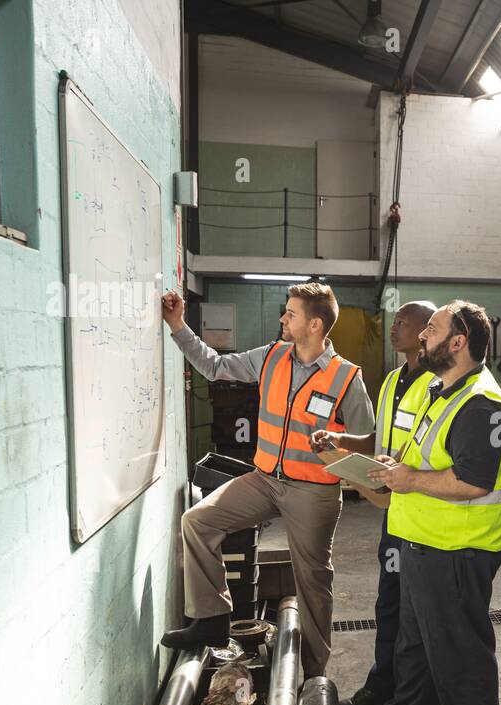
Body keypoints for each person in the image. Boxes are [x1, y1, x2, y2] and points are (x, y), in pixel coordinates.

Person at [159, 284, 375, 678]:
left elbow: (368, 439)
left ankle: (310, 676)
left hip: (313, 491)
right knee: (198, 521)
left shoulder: (345, 377)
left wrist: (342, 452)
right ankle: (211, 618)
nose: (282, 319)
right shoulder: (273, 356)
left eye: (290, 314)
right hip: (264, 480)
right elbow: (214, 366)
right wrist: (178, 326)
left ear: (314, 324)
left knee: (312, 580)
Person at [344, 300, 501, 705]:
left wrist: (411, 480)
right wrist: (388, 467)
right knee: (415, 642)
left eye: (432, 330)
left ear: (457, 342)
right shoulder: (438, 390)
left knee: (460, 650)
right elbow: (418, 454)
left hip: (459, 549)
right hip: (419, 542)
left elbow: (475, 481)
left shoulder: (483, 402)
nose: (422, 336)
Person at [330, 300, 436, 705]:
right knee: (389, 600)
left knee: (417, 612)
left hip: (423, 515)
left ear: (428, 331)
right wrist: (340, 443)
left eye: (405, 323)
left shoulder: (439, 384)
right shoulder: (393, 379)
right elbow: (380, 439)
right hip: (393, 510)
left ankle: (417, 698)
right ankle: (382, 685)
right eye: (395, 322)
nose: (395, 329)